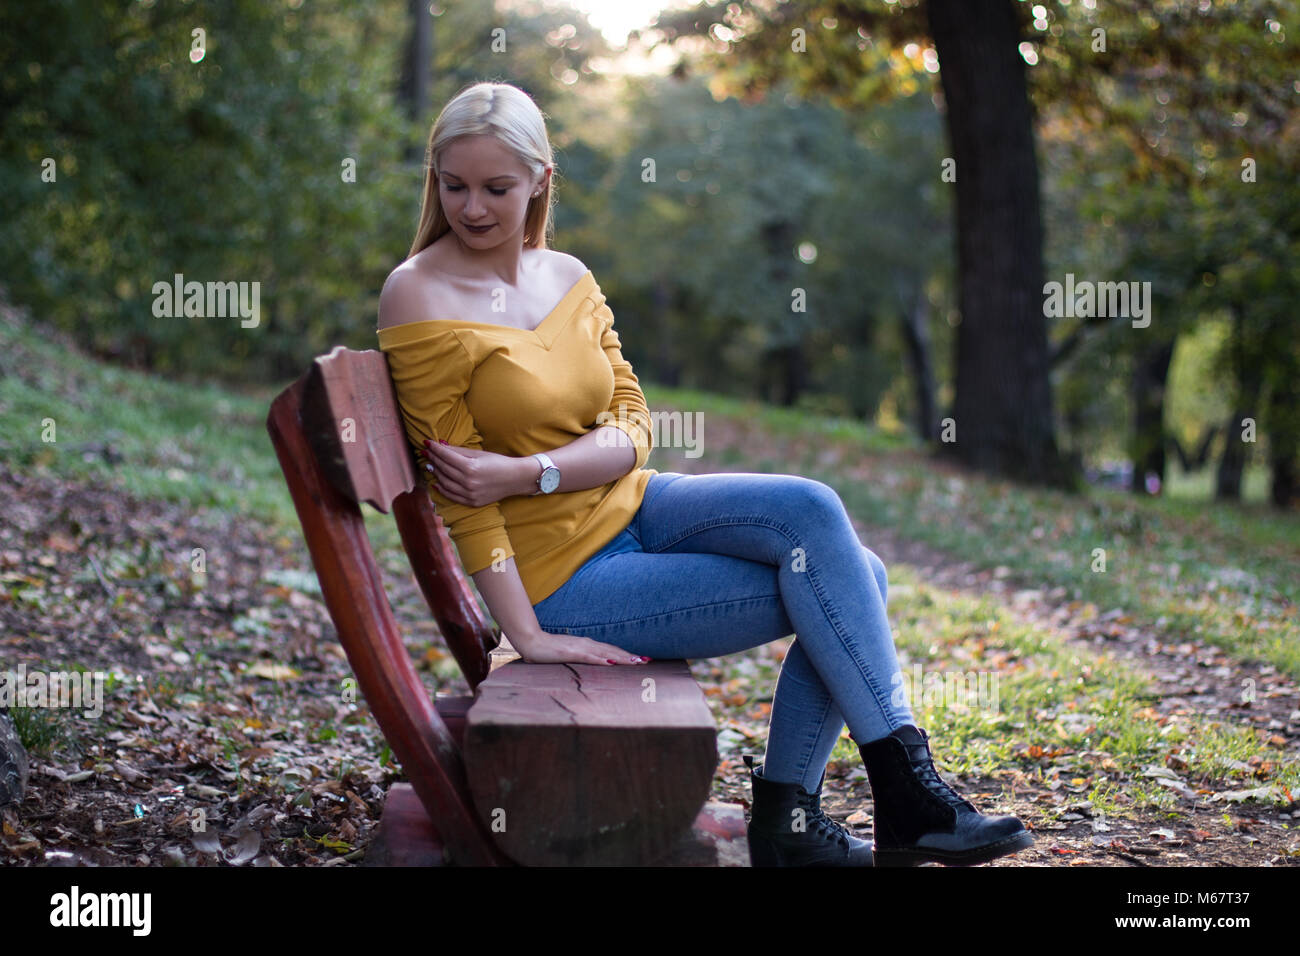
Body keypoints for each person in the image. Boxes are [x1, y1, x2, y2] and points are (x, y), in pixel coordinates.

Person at [375, 81, 1033, 868]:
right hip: (562, 577)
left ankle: (890, 791)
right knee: (851, 580)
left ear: (542, 179)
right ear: (434, 178)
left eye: (496, 188)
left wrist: (532, 470)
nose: (472, 208)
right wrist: (527, 636)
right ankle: (848, 808)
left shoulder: (567, 276)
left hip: (637, 508)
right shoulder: (418, 295)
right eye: (454, 186)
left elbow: (632, 421)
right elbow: (464, 494)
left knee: (817, 517)